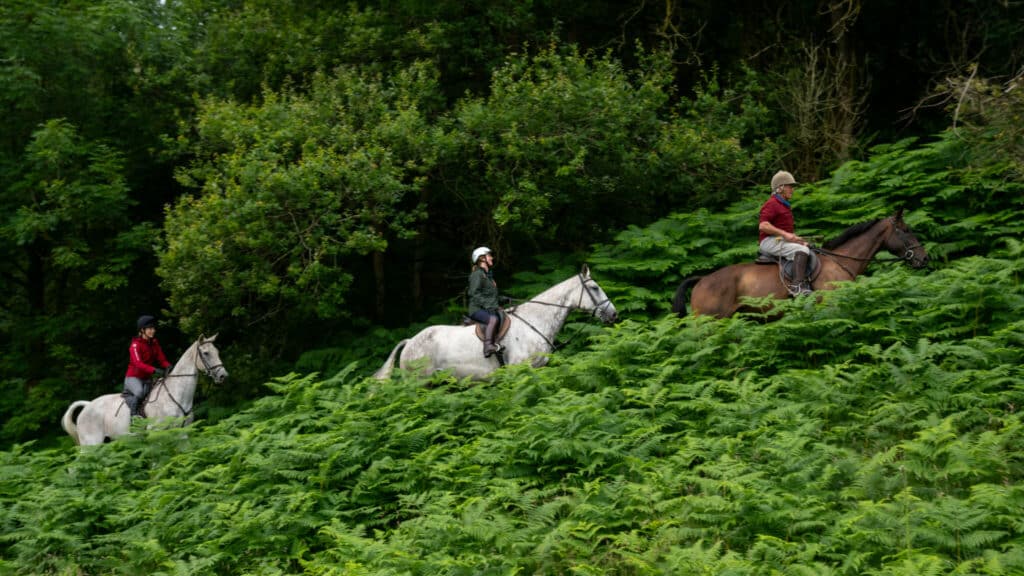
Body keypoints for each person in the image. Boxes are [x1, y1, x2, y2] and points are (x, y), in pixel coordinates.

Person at [759, 170, 813, 295]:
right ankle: (796, 287)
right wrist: (785, 234)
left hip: (778, 240)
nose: (792, 190)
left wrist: (797, 239)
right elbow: (763, 225)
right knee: (802, 251)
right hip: (768, 242)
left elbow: (784, 233)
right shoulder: (772, 204)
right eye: (790, 186)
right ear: (780, 188)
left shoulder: (784, 205)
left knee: (805, 247)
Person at [123, 315, 172, 418]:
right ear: (142, 330)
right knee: (140, 393)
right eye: (150, 329)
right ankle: (134, 416)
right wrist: (153, 370)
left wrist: (168, 366)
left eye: (153, 328)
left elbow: (161, 359)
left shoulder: (154, 343)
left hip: (147, 378)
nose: (153, 331)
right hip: (133, 377)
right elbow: (138, 363)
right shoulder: (135, 345)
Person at [467, 246, 503, 357]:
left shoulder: (488, 277)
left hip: (487, 308)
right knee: (493, 319)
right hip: (476, 309)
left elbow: (489, 296)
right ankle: (487, 347)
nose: (491, 258)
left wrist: (502, 300)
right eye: (489, 255)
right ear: (482, 258)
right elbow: (474, 293)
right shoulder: (477, 274)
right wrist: (489, 305)